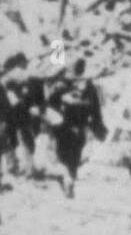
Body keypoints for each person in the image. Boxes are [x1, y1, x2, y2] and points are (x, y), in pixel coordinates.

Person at [46, 58, 107, 198]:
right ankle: (69, 179)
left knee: (68, 156)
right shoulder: (83, 86)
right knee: (71, 157)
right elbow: (95, 109)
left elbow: (49, 105)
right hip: (72, 127)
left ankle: (67, 179)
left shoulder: (62, 85)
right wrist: (98, 125)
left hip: (67, 127)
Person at [1, 53, 46, 178]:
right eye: (23, 63)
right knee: (17, 142)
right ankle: (20, 168)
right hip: (15, 116)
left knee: (22, 142)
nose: (25, 65)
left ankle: (25, 168)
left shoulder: (21, 78)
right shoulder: (11, 80)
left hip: (19, 116)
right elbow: (14, 100)